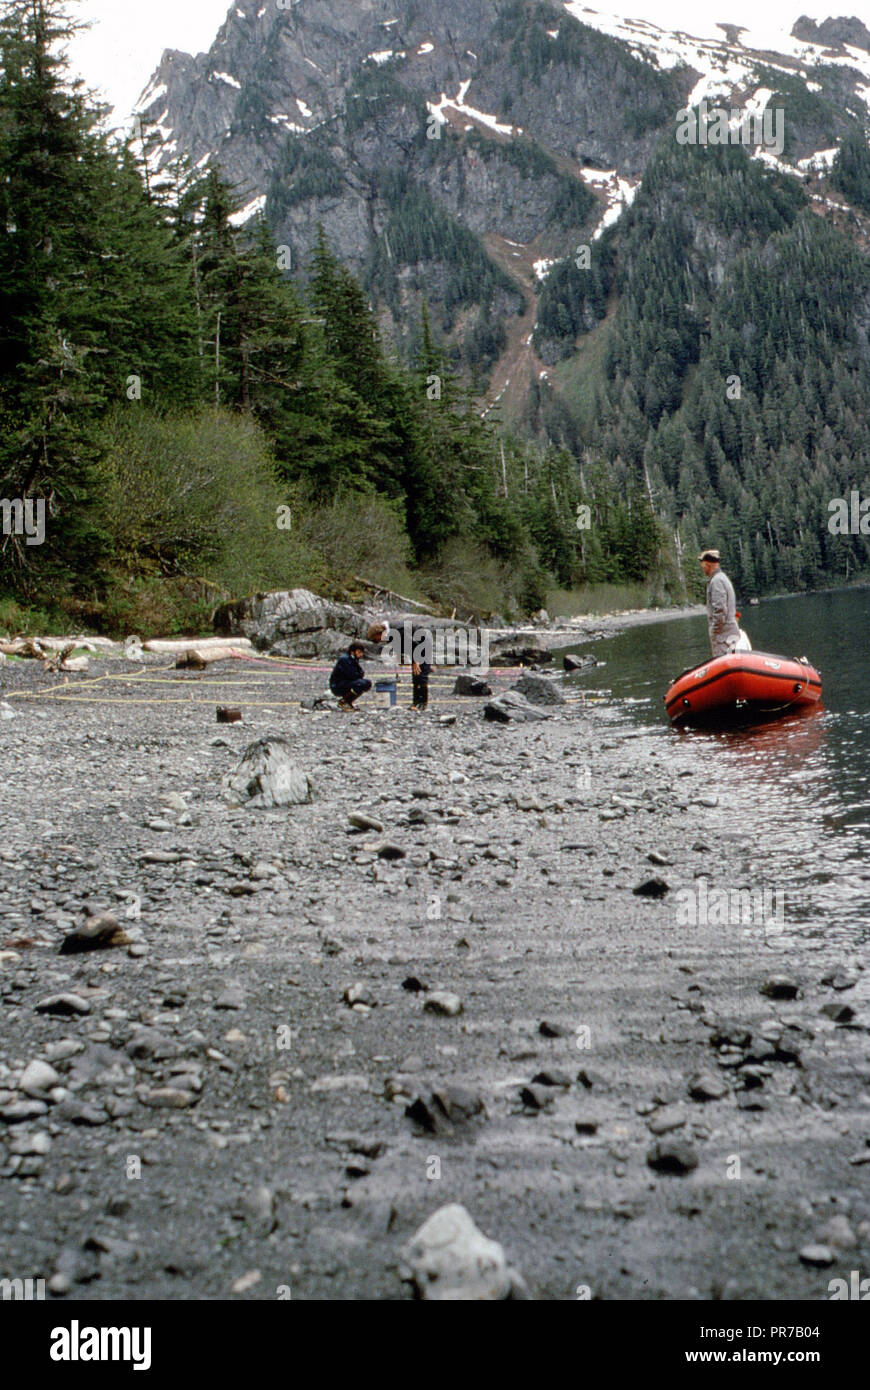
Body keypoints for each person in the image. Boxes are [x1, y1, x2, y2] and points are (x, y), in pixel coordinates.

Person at [698, 548, 741, 657]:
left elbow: (720, 609)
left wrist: (714, 630)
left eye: (702, 565)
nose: (702, 568)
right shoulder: (722, 578)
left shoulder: (716, 581)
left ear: (708, 565)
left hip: (723, 637)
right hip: (728, 635)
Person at [329, 641, 372, 711]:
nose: (361, 654)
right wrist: (358, 675)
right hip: (338, 685)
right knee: (361, 684)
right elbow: (353, 675)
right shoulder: (345, 659)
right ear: (352, 651)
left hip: (345, 682)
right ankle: (344, 702)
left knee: (366, 683)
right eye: (359, 652)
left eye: (361, 652)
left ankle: (348, 702)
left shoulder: (352, 659)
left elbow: (360, 673)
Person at [409, 625, 432, 711]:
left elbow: (414, 644)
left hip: (424, 644)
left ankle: (423, 703)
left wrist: (416, 660)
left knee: (422, 676)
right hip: (417, 646)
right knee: (416, 675)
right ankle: (416, 702)